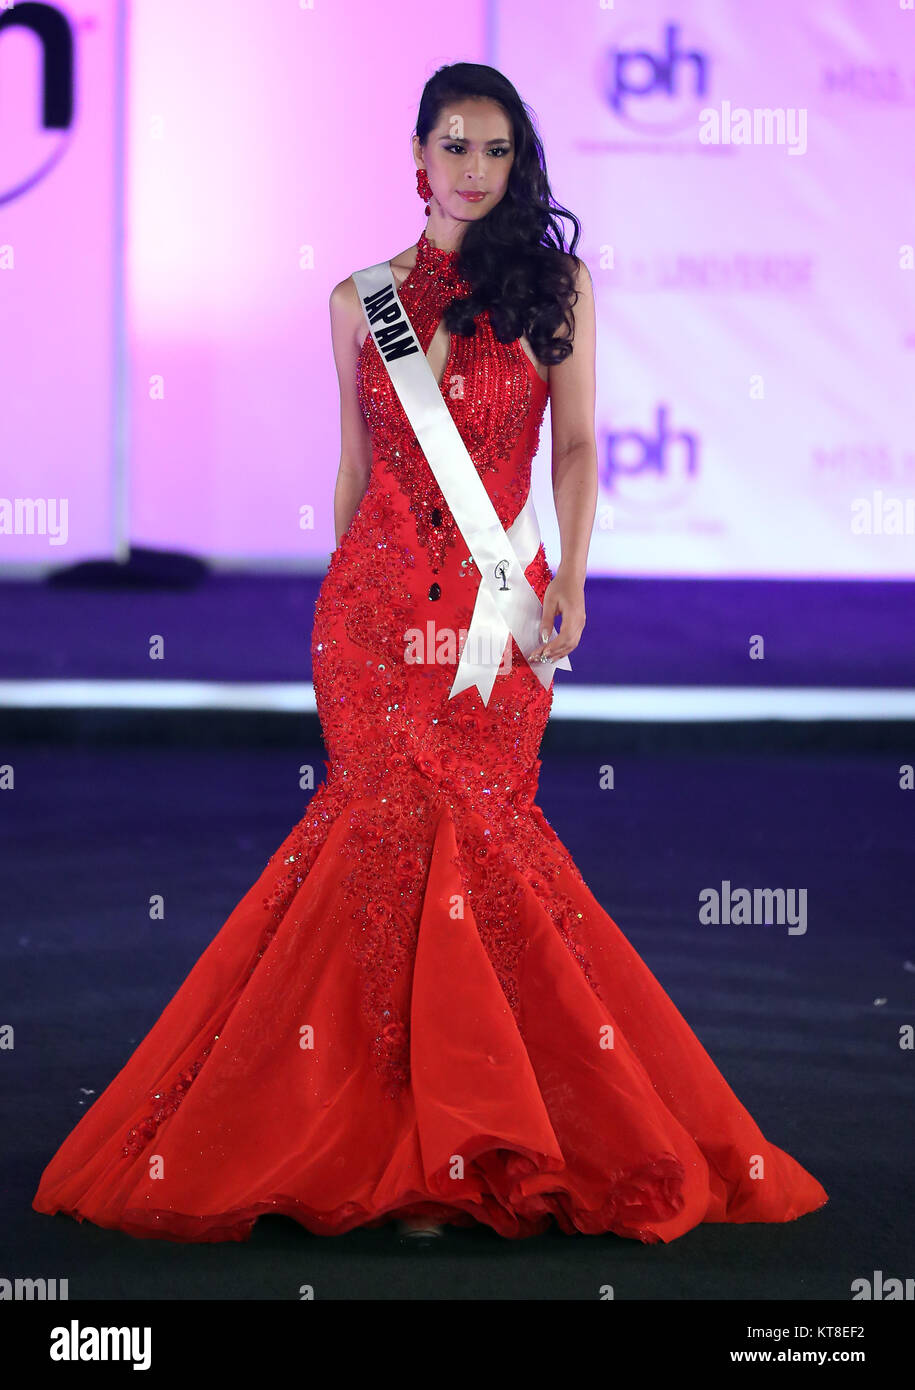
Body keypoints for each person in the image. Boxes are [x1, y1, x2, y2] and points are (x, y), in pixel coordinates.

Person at [33, 62, 827, 1247]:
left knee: (487, 848)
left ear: (517, 165)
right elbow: (354, 467)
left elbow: (574, 448)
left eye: (495, 149)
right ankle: (388, 1134)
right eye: (453, 144)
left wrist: (578, 579)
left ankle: (481, 1128)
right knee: (388, 847)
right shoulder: (362, 299)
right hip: (372, 623)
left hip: (497, 616)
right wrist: (336, 606)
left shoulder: (554, 285)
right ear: (416, 156)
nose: (472, 166)